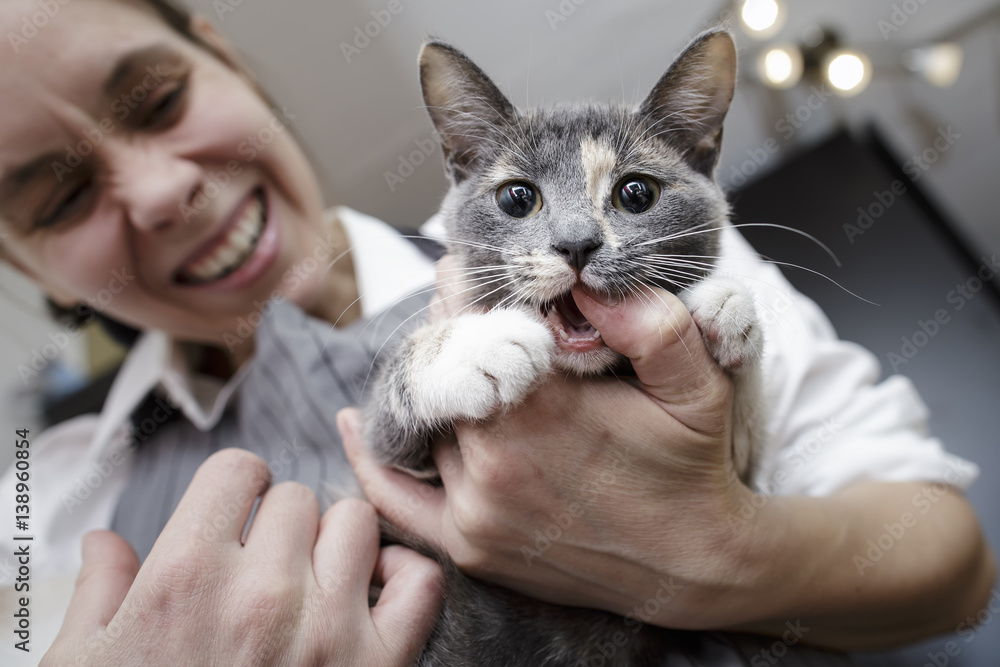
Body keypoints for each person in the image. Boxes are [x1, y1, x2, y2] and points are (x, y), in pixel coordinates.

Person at [0, 0, 993, 664]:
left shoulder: (653, 262)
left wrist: (717, 553)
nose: (163, 189)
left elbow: (954, 565)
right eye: (62, 196)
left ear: (220, 54)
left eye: (159, 101)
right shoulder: (51, 502)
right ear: (18, 264)